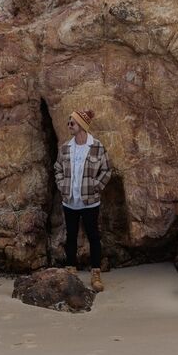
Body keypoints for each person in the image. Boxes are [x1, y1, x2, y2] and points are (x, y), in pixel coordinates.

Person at [53, 109, 113, 292]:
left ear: (82, 126)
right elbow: (57, 169)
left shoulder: (97, 146)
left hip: (90, 201)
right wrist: (62, 186)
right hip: (70, 201)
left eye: (73, 123)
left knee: (93, 236)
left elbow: (107, 170)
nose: (69, 126)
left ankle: (95, 274)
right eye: (69, 123)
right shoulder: (65, 148)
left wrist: (96, 186)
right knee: (70, 237)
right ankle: (71, 271)